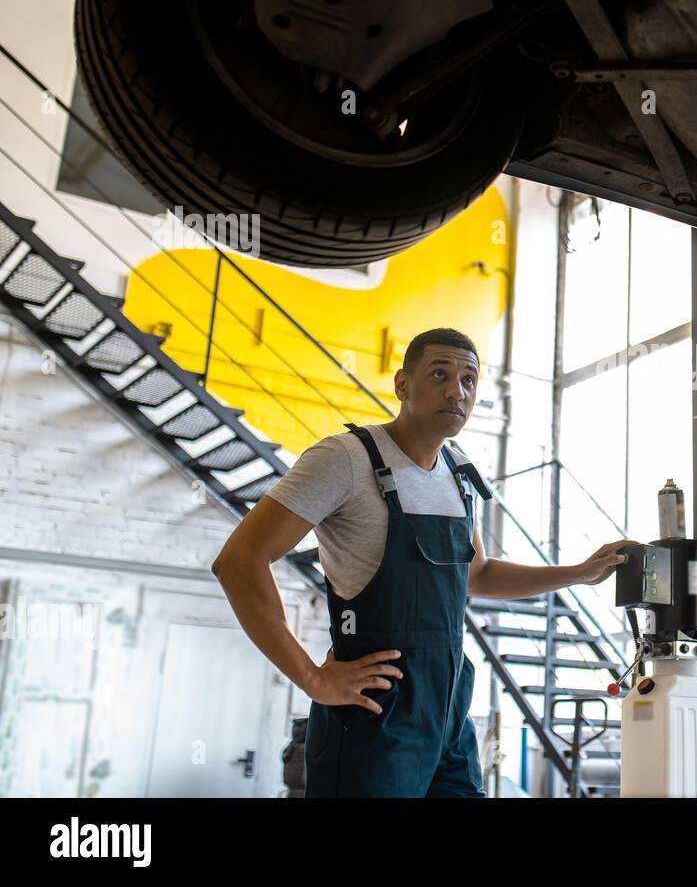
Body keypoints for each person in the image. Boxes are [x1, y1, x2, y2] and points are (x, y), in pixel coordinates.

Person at [212, 327, 634, 797]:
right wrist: (312, 679)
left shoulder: (458, 473)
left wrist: (578, 573)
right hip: (375, 713)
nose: (457, 390)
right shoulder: (345, 459)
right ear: (402, 384)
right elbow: (240, 561)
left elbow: (477, 574)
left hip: (449, 708)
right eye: (440, 374)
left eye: (469, 380)